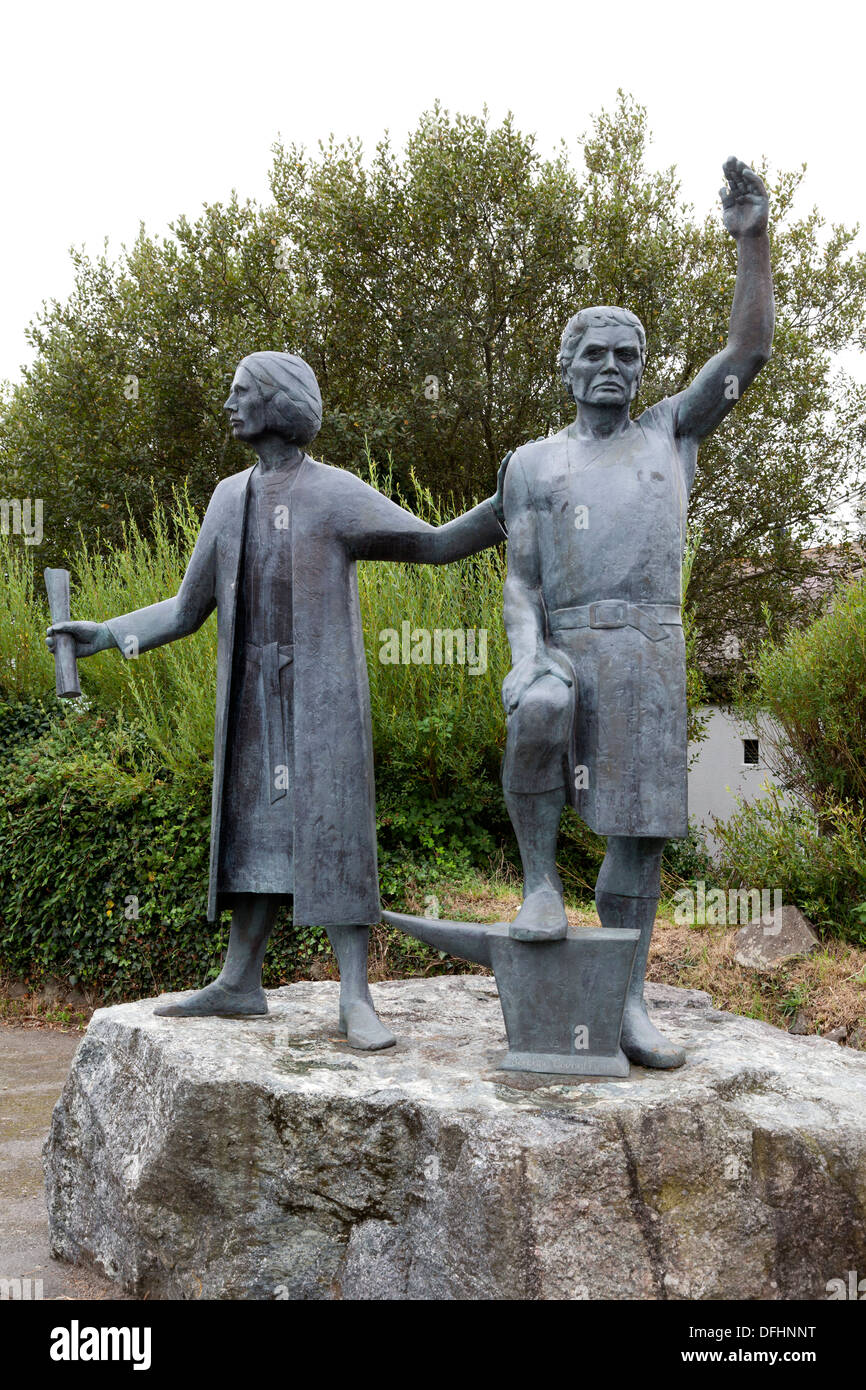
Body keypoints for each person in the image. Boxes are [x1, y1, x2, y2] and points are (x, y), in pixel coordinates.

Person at [48, 350, 506, 1049]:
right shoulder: (230, 498)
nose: (228, 406)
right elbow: (183, 608)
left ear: (278, 402)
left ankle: (356, 995)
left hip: (321, 698)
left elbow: (435, 544)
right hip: (254, 701)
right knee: (253, 831)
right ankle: (240, 980)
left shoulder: (333, 493)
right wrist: (106, 634)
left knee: (334, 829)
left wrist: (506, 509)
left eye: (240, 393)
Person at [499, 157, 774, 1067]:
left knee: (641, 835)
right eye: (595, 354)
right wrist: (525, 653)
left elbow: (748, 355)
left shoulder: (671, 433)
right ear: (567, 368)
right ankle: (541, 886)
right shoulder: (534, 464)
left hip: (650, 645)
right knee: (534, 710)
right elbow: (522, 583)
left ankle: (623, 1002)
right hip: (569, 641)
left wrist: (751, 242)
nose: (611, 368)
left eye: (627, 356)